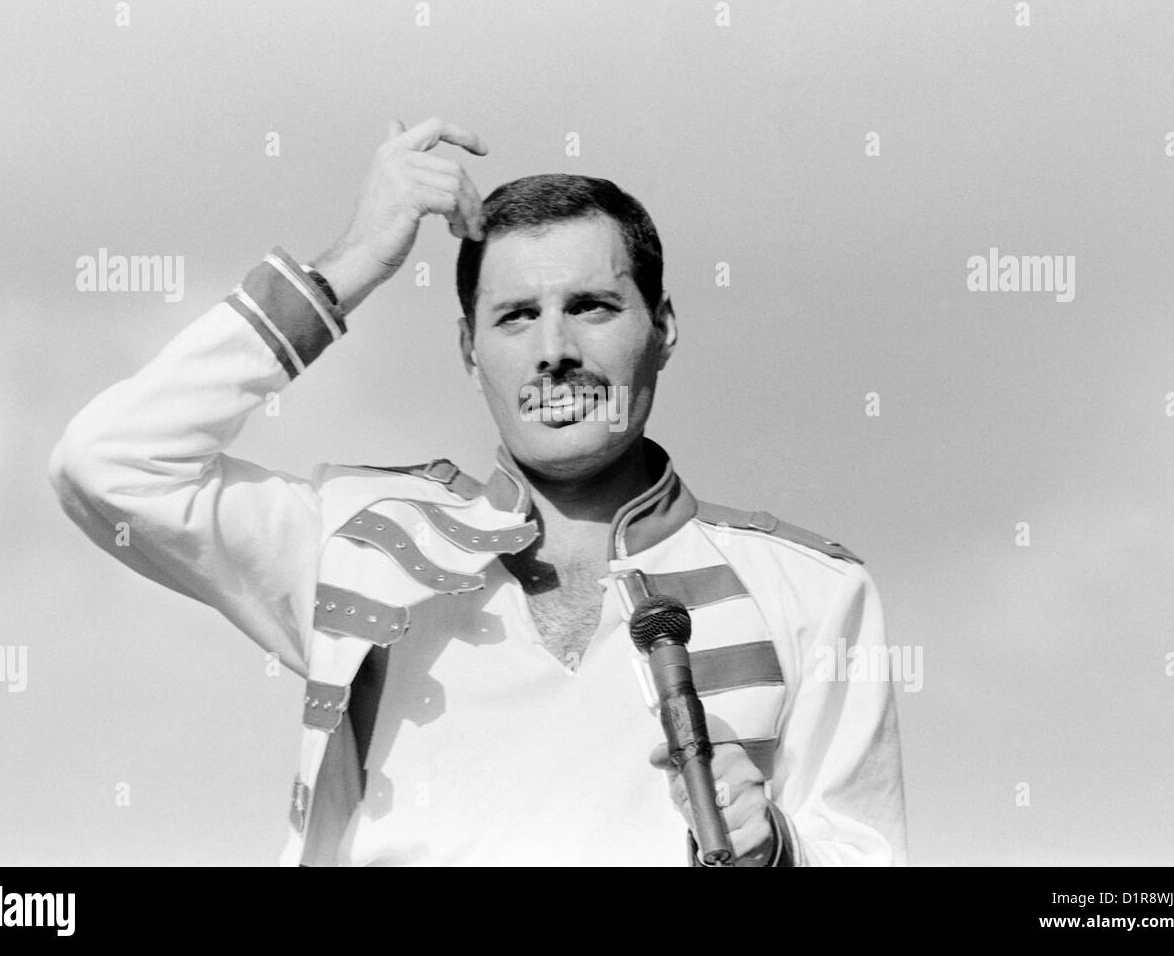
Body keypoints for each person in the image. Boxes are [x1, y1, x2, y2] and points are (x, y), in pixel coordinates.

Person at [49, 117, 907, 867]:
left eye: (595, 307)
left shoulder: (813, 592)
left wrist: (777, 848)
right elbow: (108, 461)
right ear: (468, 349)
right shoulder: (361, 547)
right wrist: (355, 260)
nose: (554, 348)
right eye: (516, 316)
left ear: (665, 327)